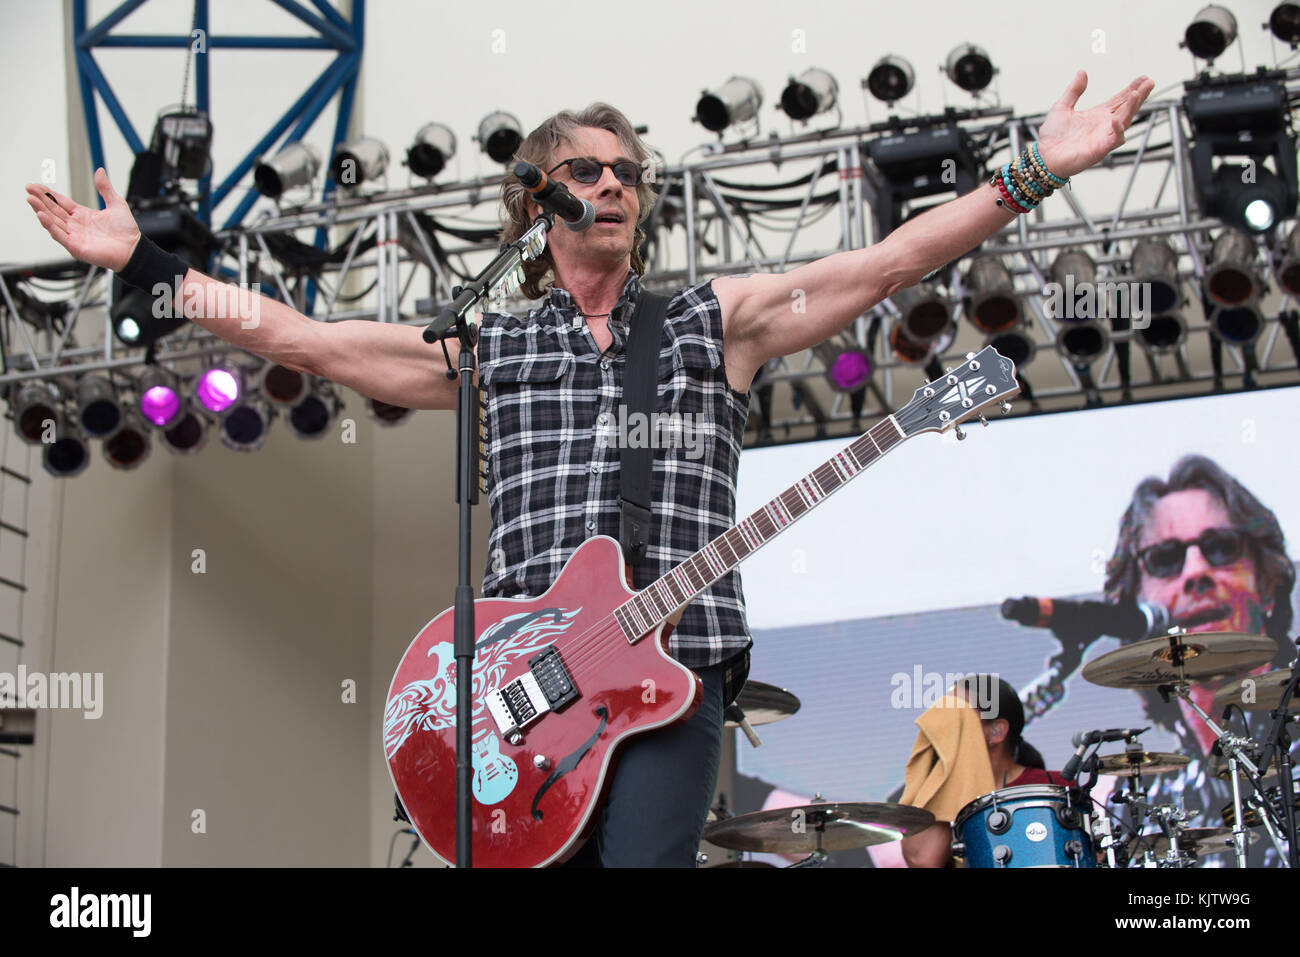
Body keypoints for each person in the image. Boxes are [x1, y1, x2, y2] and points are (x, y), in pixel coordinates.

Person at [24, 73, 1153, 867]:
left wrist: (1033, 168)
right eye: (585, 171)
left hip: (669, 680)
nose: (610, 185)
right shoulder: (494, 341)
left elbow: (888, 259)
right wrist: (151, 261)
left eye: (626, 173)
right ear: (540, 201)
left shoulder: (719, 321)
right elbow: (306, 340)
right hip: (513, 700)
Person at [1102, 453, 1296, 864]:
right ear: (1136, 599)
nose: (1195, 571)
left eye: (1221, 547)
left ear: (1267, 579)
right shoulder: (1142, 801)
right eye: (1165, 558)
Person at [901, 676, 1074, 868]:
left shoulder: (1057, 786)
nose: (946, 723)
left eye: (959, 713)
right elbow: (923, 860)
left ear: (997, 731)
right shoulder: (942, 788)